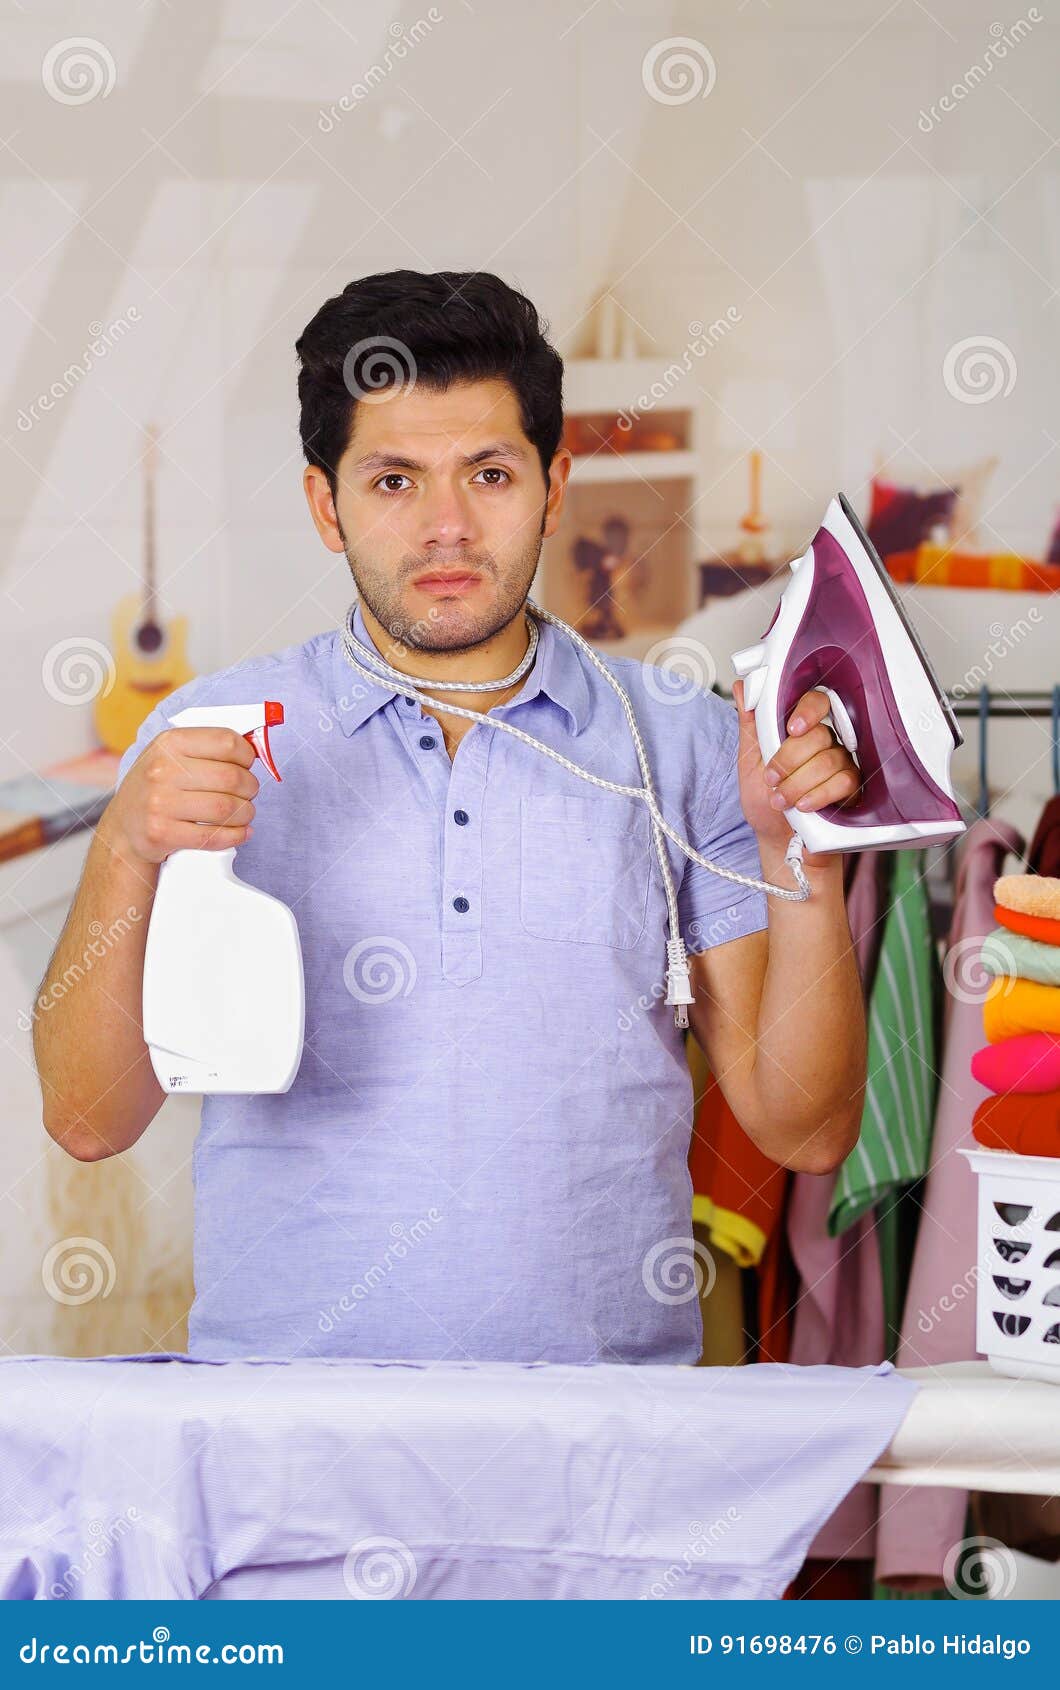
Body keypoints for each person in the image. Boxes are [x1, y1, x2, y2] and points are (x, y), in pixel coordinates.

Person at [32, 270, 866, 1365]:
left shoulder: (685, 742)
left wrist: (798, 848)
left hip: (601, 1435)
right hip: (282, 1429)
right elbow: (90, 1121)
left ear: (553, 483)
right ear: (325, 505)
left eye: (488, 473)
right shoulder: (212, 731)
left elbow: (804, 1129)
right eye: (392, 480)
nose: (447, 527)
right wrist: (126, 848)